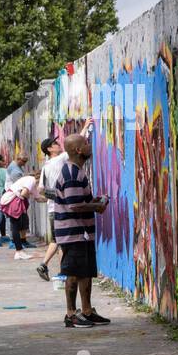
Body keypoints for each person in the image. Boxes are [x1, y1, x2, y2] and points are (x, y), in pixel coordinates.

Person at [53, 133, 110, 328]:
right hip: (72, 233)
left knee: (85, 272)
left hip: (82, 232)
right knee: (73, 272)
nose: (89, 146)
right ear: (78, 150)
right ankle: (71, 314)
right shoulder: (71, 174)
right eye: (86, 143)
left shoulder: (77, 172)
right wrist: (96, 207)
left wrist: (94, 201)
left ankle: (87, 311)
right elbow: (74, 205)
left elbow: (79, 202)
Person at [36, 138, 68, 281]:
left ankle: (44, 265)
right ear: (49, 149)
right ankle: (63, 272)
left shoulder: (46, 166)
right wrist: (86, 127)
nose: (58, 144)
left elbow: (41, 189)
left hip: (51, 210)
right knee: (62, 241)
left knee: (56, 240)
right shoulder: (59, 160)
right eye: (55, 144)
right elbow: (76, 145)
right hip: (60, 209)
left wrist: (52, 197)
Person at [1, 171, 40, 260]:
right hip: (14, 201)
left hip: (15, 201)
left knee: (19, 225)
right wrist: (29, 195)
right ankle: (19, 251)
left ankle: (19, 251)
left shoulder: (31, 183)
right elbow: (23, 194)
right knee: (16, 226)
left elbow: (38, 198)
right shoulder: (31, 180)